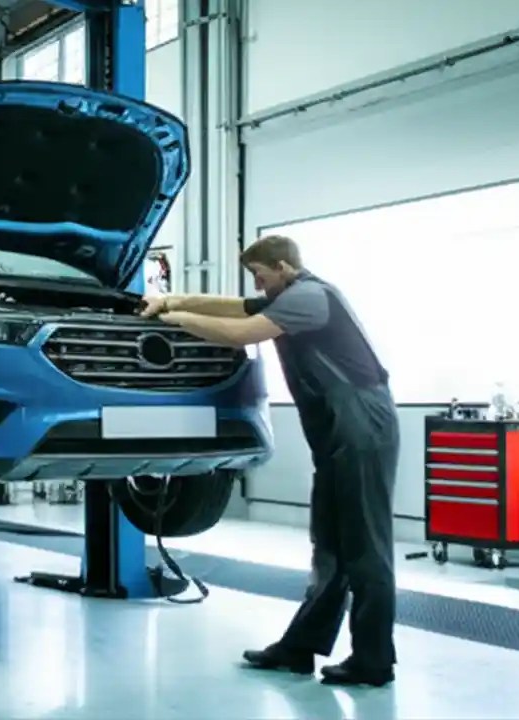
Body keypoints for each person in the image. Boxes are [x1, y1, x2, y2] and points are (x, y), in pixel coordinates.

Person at [139, 235, 399, 687]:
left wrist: (174, 319)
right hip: (340, 427)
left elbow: (242, 330)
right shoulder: (292, 294)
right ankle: (300, 649)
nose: (257, 286)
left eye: (260, 276)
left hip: (362, 423)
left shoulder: (310, 298)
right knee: (331, 544)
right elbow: (233, 307)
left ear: (281, 267)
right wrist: (171, 299)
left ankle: (373, 659)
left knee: (365, 547)